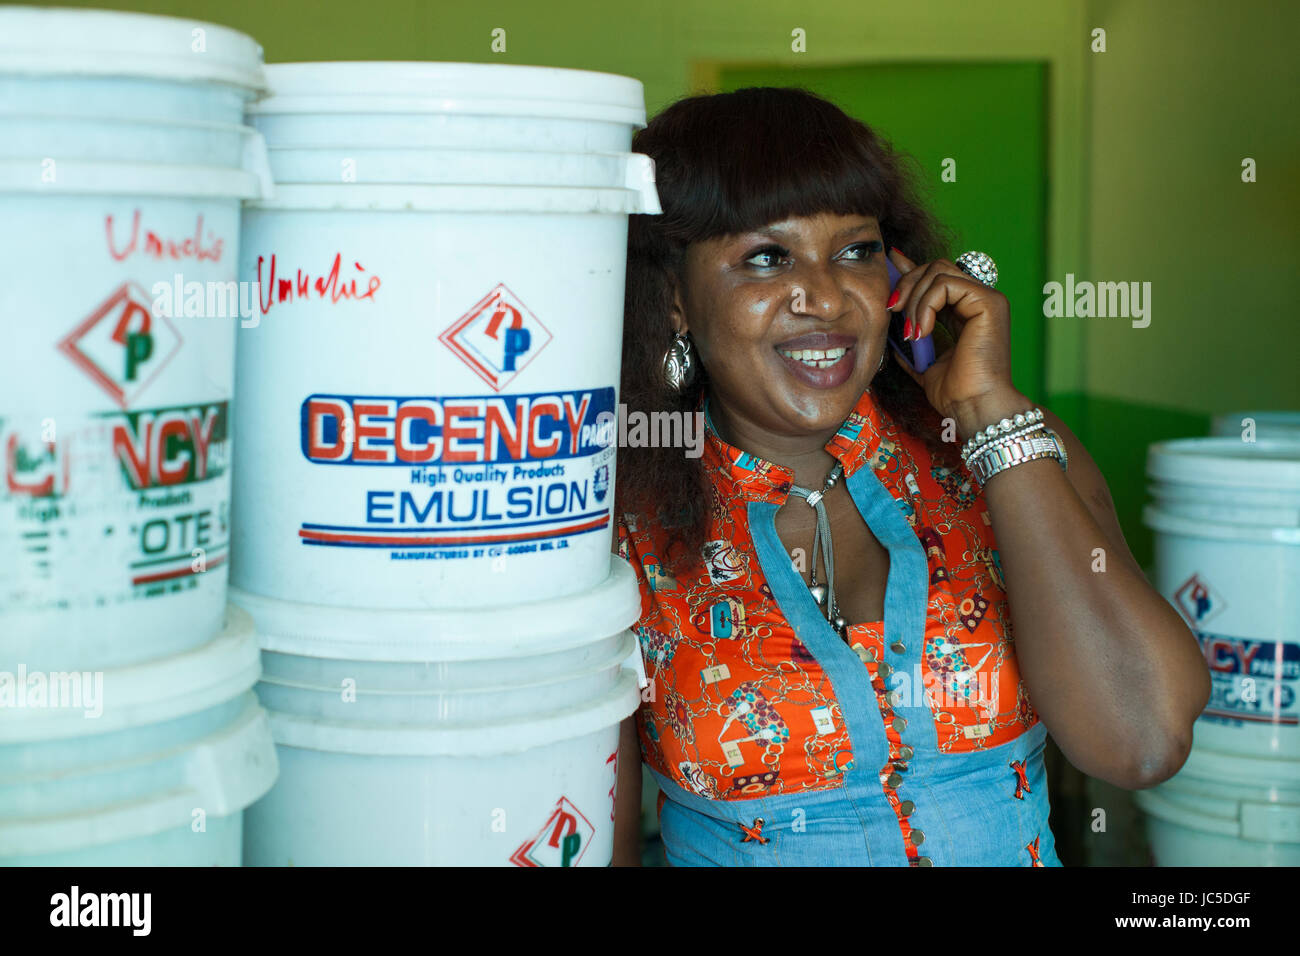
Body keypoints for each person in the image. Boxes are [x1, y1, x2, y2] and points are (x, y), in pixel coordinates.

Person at [609, 86, 1209, 867]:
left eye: (855, 251)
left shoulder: (1009, 455)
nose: (824, 297)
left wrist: (989, 413)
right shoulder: (621, 519)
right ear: (675, 299)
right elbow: (600, 836)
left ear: (898, 278)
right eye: (766, 257)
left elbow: (1144, 740)